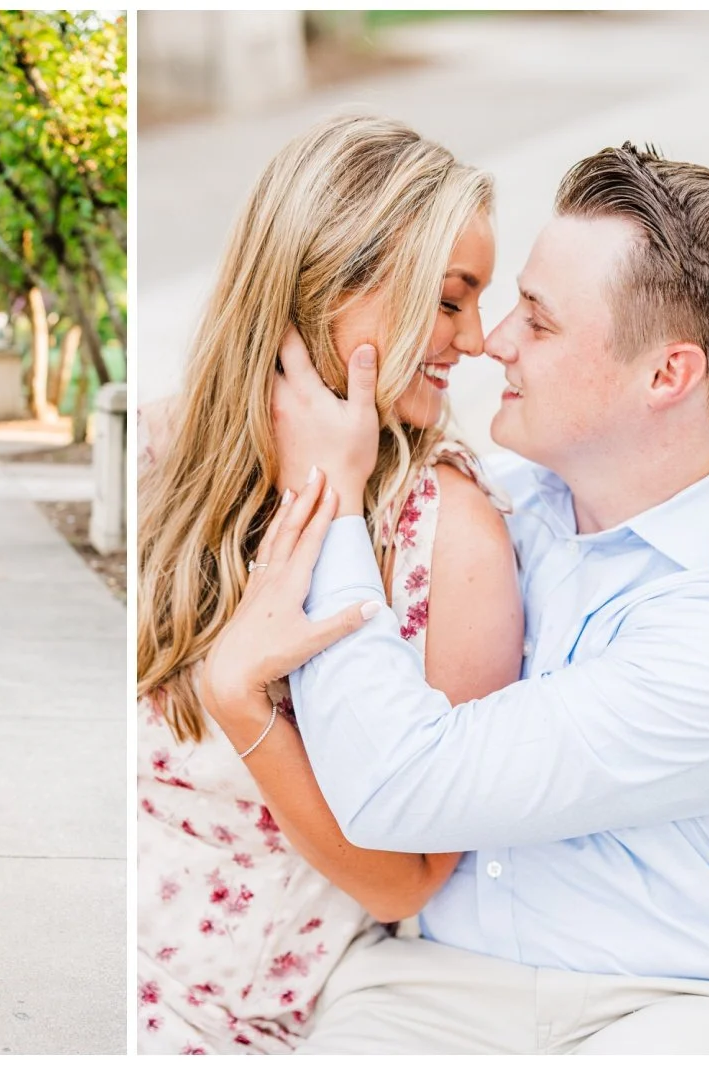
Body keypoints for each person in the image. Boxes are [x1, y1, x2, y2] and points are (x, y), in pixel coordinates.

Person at [200, 143, 709, 1053]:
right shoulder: (495, 502)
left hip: (680, 1005)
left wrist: (332, 491)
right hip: (430, 990)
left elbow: (400, 787)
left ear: (668, 375)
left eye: (537, 320)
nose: (491, 339)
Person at [136, 115, 523, 1052]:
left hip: (227, 1008)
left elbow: (410, 876)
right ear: (329, 282)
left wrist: (242, 704)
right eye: (447, 298)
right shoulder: (163, 451)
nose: (473, 339)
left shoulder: (450, 533)